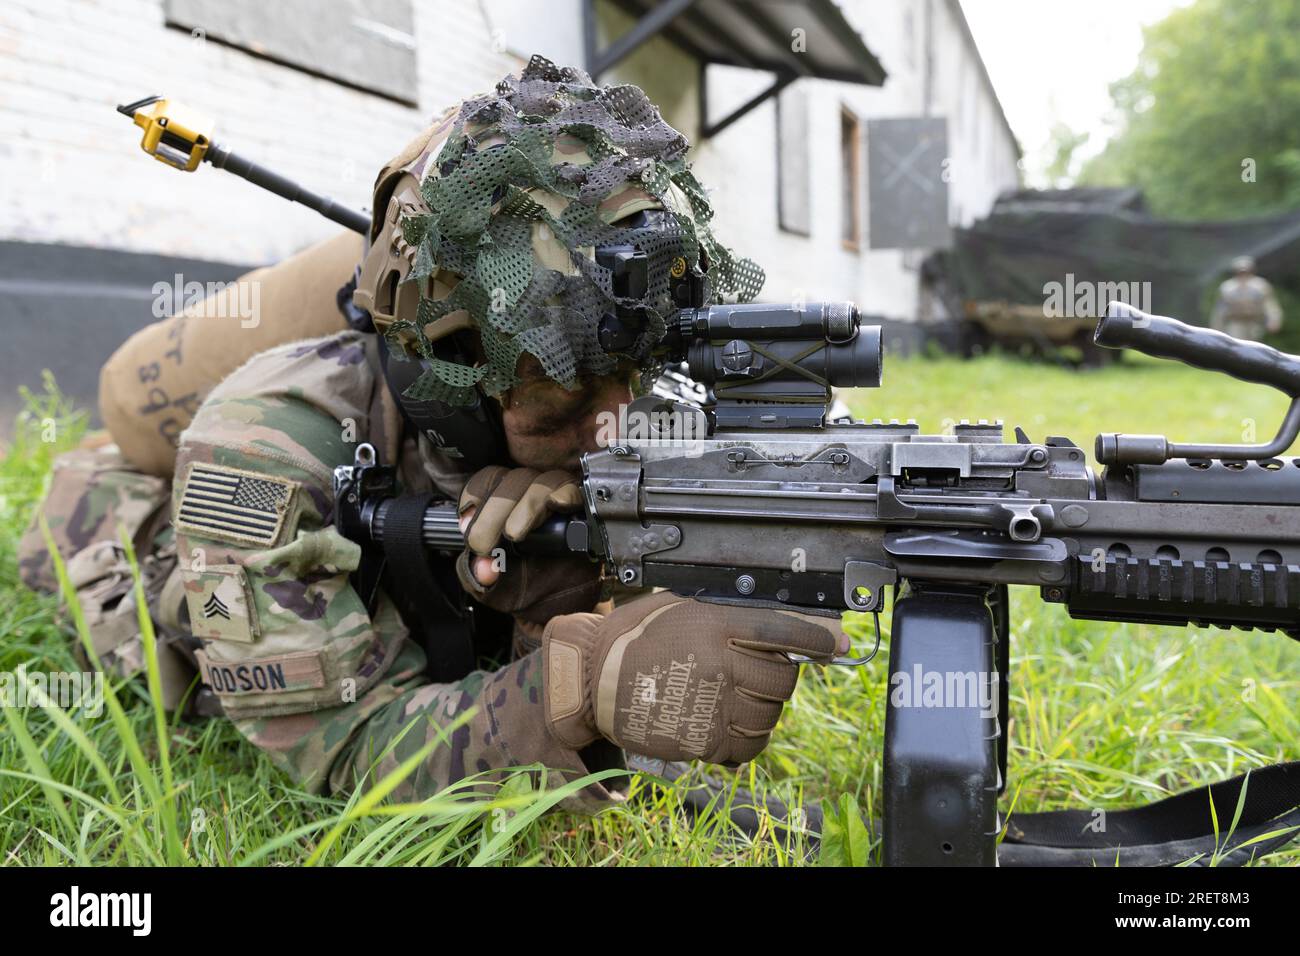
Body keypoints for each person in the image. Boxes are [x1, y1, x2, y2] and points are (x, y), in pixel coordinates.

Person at [20, 57, 841, 813]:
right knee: (157, 612)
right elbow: (340, 751)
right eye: (561, 379)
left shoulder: (599, 379)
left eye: (629, 367)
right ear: (447, 358)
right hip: (118, 530)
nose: (617, 422)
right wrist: (575, 684)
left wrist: (576, 571)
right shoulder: (262, 446)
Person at [1209, 255, 1283, 341]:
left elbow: (1269, 304)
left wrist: (1274, 319)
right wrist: (1217, 326)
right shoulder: (1228, 287)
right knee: (1236, 343)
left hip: (1254, 322)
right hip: (1235, 322)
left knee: (1254, 345)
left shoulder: (1260, 285)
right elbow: (1220, 308)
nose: (1243, 273)